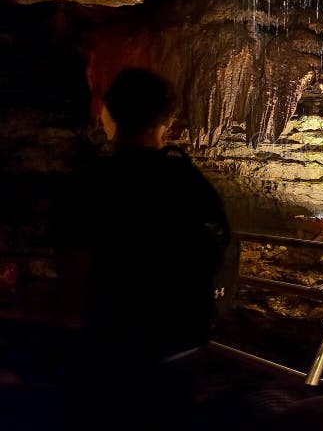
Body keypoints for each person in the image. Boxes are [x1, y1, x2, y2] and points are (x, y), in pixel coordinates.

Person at [66, 68, 231, 429]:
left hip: (112, 338)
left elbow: (77, 261)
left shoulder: (93, 182)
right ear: (167, 120)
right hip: (180, 340)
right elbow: (219, 251)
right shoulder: (189, 182)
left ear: (109, 114)